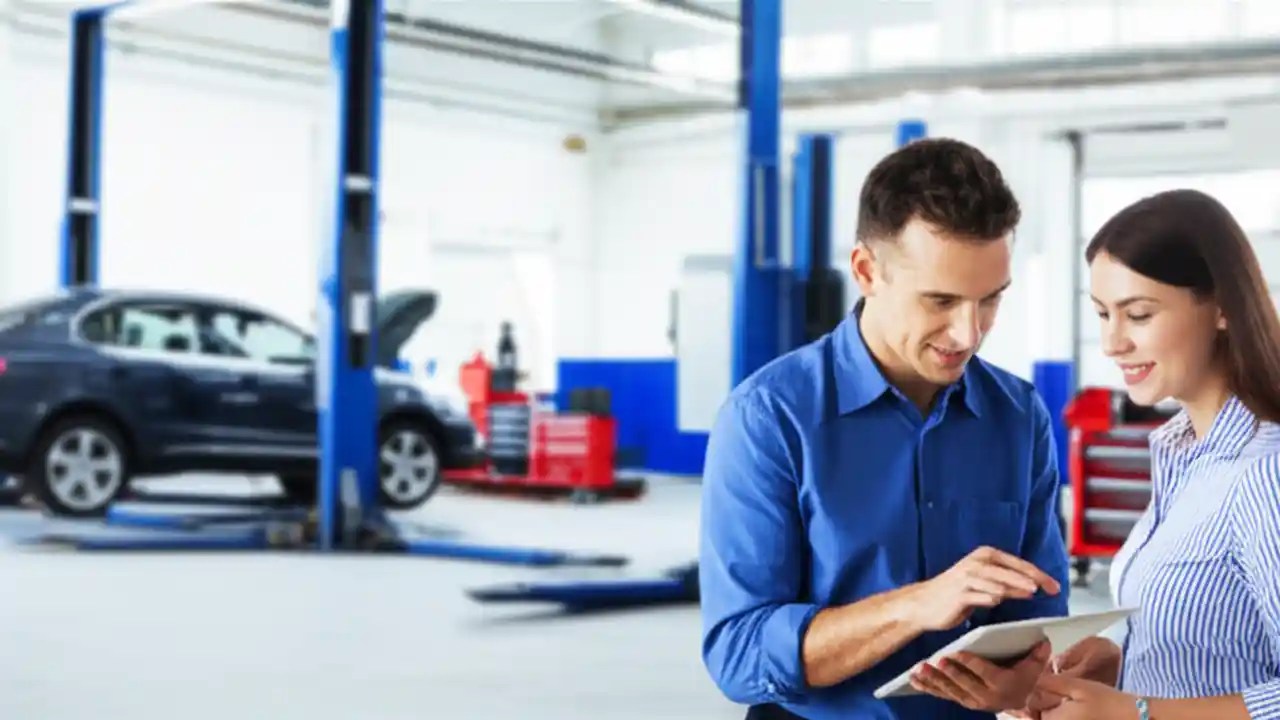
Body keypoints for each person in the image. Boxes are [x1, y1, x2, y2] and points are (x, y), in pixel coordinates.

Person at [698, 137, 1070, 720]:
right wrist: (919, 606)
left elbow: (1038, 623)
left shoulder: (1019, 416)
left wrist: (1022, 684)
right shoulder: (768, 418)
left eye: (990, 301)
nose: (967, 333)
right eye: (940, 301)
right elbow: (740, 655)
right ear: (867, 271)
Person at [1020, 189, 1280, 720]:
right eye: (1102, 314)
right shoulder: (1184, 455)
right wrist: (1125, 665)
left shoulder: (1265, 473)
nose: (1112, 342)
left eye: (1137, 314)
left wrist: (1135, 711)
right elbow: (1230, 654)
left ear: (1224, 309)